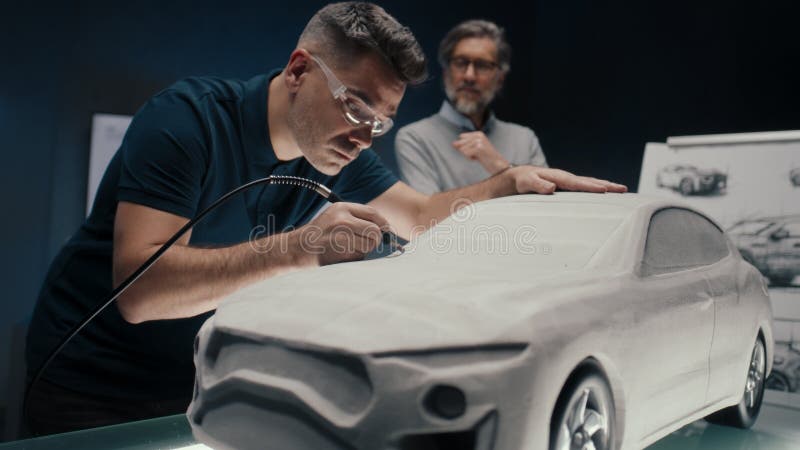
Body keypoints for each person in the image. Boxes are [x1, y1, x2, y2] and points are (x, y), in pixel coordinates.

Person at [25, 2, 625, 436]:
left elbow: (420, 217)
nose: (365, 137)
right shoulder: (186, 122)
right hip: (88, 382)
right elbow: (140, 292)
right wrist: (299, 249)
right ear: (298, 70)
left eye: (381, 121)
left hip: (197, 381)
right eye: (355, 106)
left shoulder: (337, 152)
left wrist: (506, 185)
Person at [396, 20, 548, 194]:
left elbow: (545, 207)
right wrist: (511, 179)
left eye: (482, 65)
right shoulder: (414, 138)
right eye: (461, 62)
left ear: (500, 79)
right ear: (446, 72)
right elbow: (428, 209)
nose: (469, 76)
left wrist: (500, 167)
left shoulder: (525, 139)